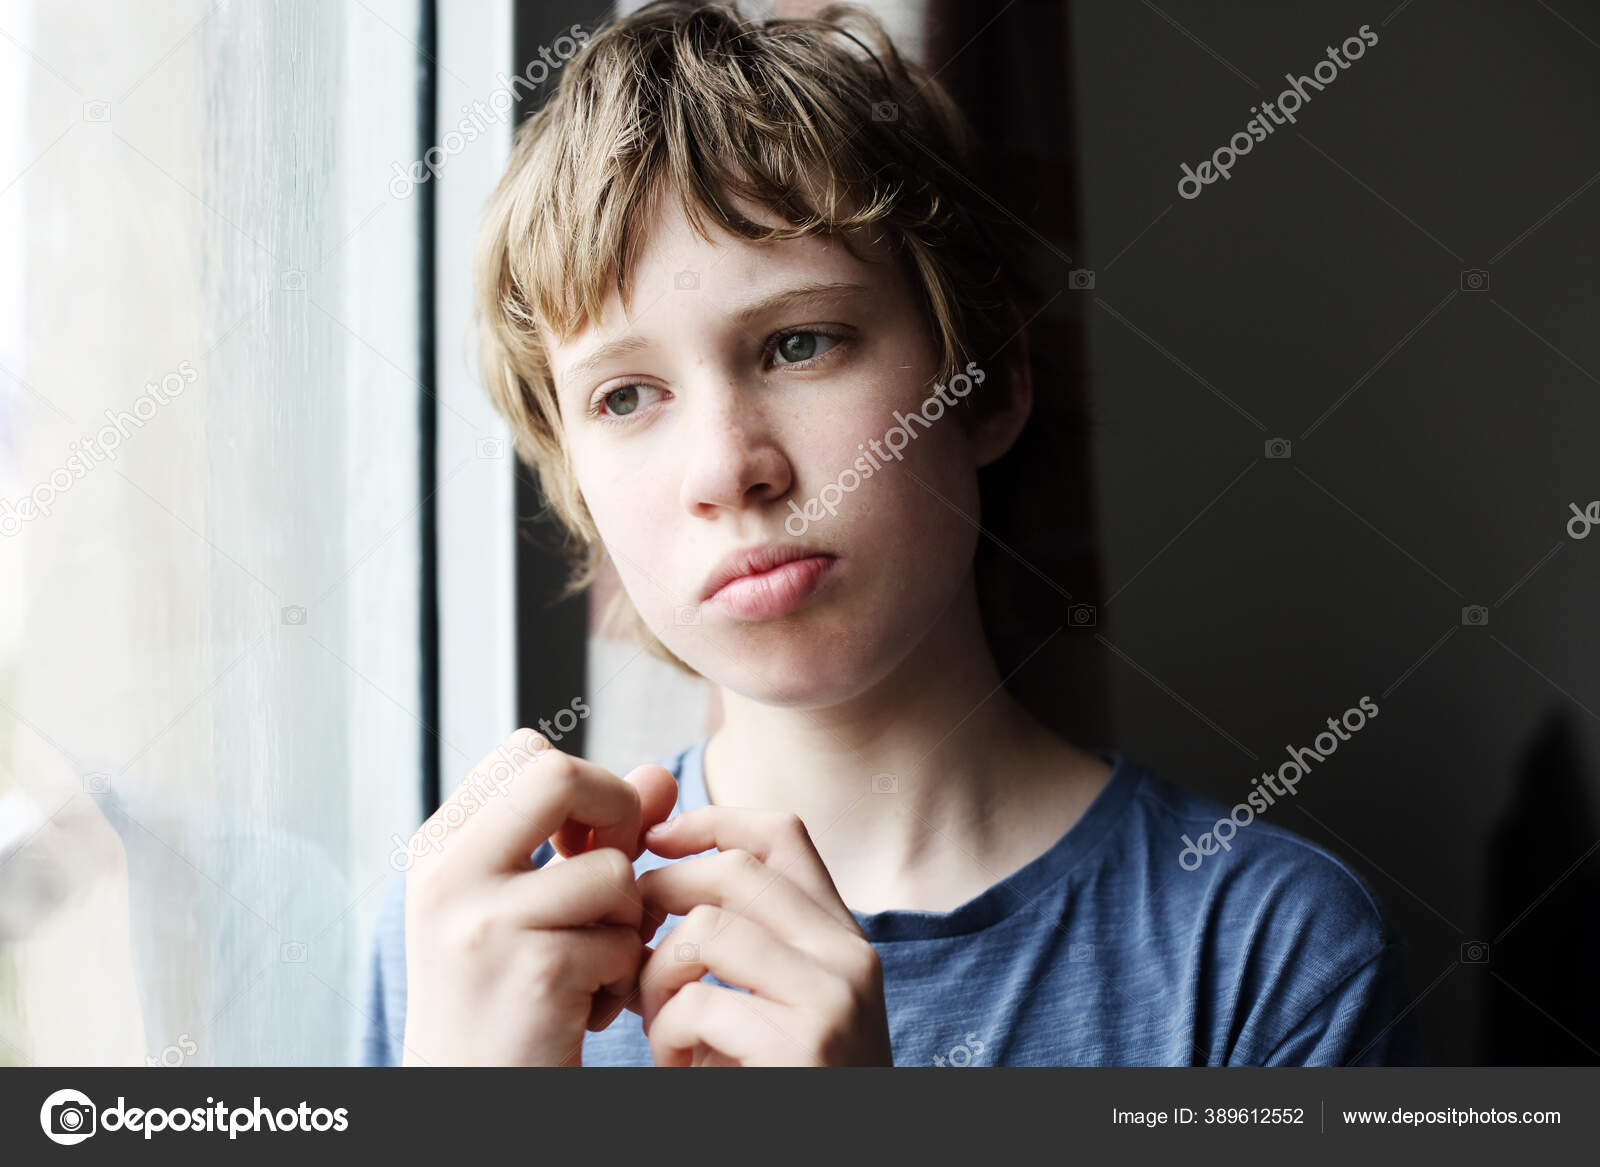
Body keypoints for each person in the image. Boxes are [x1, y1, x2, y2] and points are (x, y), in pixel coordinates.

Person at [363, 0, 1423, 1067]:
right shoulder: (470, 949)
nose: (730, 469)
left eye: (799, 344)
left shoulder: (1269, 960)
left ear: (989, 384)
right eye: (628, 398)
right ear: (578, 483)